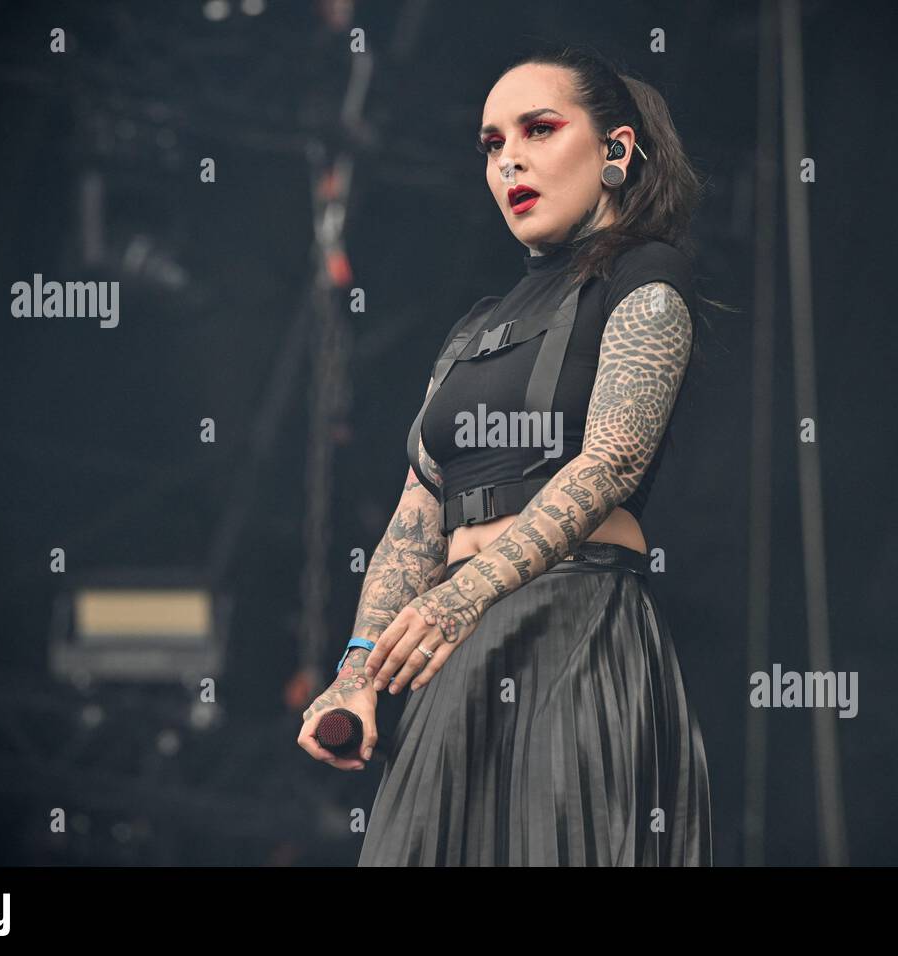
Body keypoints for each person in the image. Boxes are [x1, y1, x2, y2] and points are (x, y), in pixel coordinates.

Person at [298, 45, 714, 866]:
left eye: (540, 128)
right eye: (492, 143)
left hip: (572, 626)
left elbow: (610, 464)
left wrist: (465, 599)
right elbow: (414, 519)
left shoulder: (645, 280)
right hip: (455, 653)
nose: (510, 158)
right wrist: (357, 671)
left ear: (617, 152)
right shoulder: (474, 329)